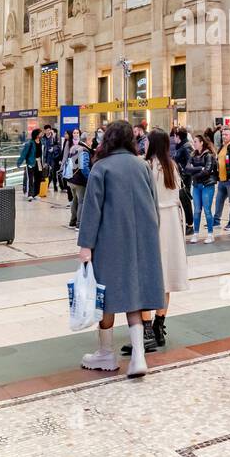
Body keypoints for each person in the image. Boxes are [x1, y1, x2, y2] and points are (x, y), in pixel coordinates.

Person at [76, 121, 166, 378]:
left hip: (110, 242)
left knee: (106, 295)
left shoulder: (101, 167)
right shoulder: (142, 166)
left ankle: (106, 353)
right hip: (142, 240)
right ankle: (138, 356)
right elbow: (154, 205)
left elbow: (91, 211)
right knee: (133, 294)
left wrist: (86, 246)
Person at [121, 129, 190, 355]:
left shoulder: (147, 166)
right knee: (167, 277)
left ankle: (147, 332)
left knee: (146, 276)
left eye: (147, 141)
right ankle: (160, 328)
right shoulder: (171, 166)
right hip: (172, 222)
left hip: (153, 222)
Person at [187, 132, 218, 243]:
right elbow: (187, 168)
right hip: (196, 186)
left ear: (201, 143)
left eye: (195, 142)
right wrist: (199, 168)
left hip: (207, 185)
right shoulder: (193, 154)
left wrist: (194, 173)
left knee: (207, 210)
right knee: (197, 210)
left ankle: (210, 234)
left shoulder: (208, 155)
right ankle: (196, 233)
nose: (193, 143)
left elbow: (207, 171)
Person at [65, 134, 93, 229]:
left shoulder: (74, 147)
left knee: (75, 200)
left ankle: (72, 221)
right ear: (88, 140)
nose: (92, 142)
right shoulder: (84, 150)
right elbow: (84, 167)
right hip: (79, 180)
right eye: (91, 140)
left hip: (71, 179)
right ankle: (79, 223)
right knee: (81, 201)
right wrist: (90, 178)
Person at [212, 132, 230, 232]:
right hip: (222, 179)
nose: (224, 136)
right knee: (218, 201)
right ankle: (216, 222)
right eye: (223, 135)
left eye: (226, 134)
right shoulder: (222, 146)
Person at [18, 128, 42, 201]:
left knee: (38, 179)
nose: (42, 134)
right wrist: (19, 162)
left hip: (39, 162)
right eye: (40, 133)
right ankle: (30, 194)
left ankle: (36, 194)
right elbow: (24, 153)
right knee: (30, 179)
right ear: (37, 134)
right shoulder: (30, 143)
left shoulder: (41, 142)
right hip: (31, 163)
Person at [42, 126, 63, 193]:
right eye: (47, 130)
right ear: (44, 131)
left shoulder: (54, 137)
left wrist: (53, 149)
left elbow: (58, 146)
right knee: (46, 173)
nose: (48, 131)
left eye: (49, 130)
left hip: (53, 158)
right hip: (46, 158)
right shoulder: (43, 138)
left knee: (53, 172)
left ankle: (55, 187)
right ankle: (45, 186)